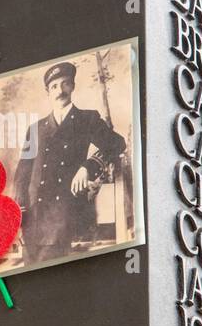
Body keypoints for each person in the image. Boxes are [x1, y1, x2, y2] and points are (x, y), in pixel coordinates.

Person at [13, 61, 126, 266]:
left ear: (72, 86)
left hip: (63, 210)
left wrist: (88, 166)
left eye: (65, 84)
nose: (60, 91)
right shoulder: (35, 129)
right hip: (33, 212)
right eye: (54, 87)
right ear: (48, 92)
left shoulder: (86, 119)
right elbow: (23, 170)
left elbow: (117, 143)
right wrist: (18, 208)